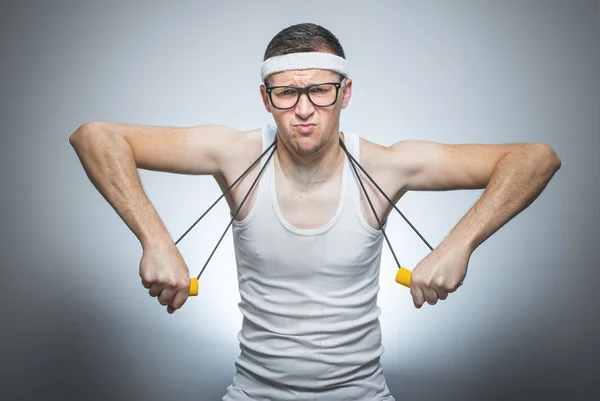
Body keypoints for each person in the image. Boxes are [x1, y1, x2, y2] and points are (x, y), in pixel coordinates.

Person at [69, 23, 561, 401]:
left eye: (320, 90)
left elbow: (535, 158)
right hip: (253, 393)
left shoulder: (386, 166)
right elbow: (95, 136)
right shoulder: (233, 154)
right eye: (287, 92)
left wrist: (458, 245)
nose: (304, 109)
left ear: (344, 94)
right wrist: (155, 238)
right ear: (267, 98)